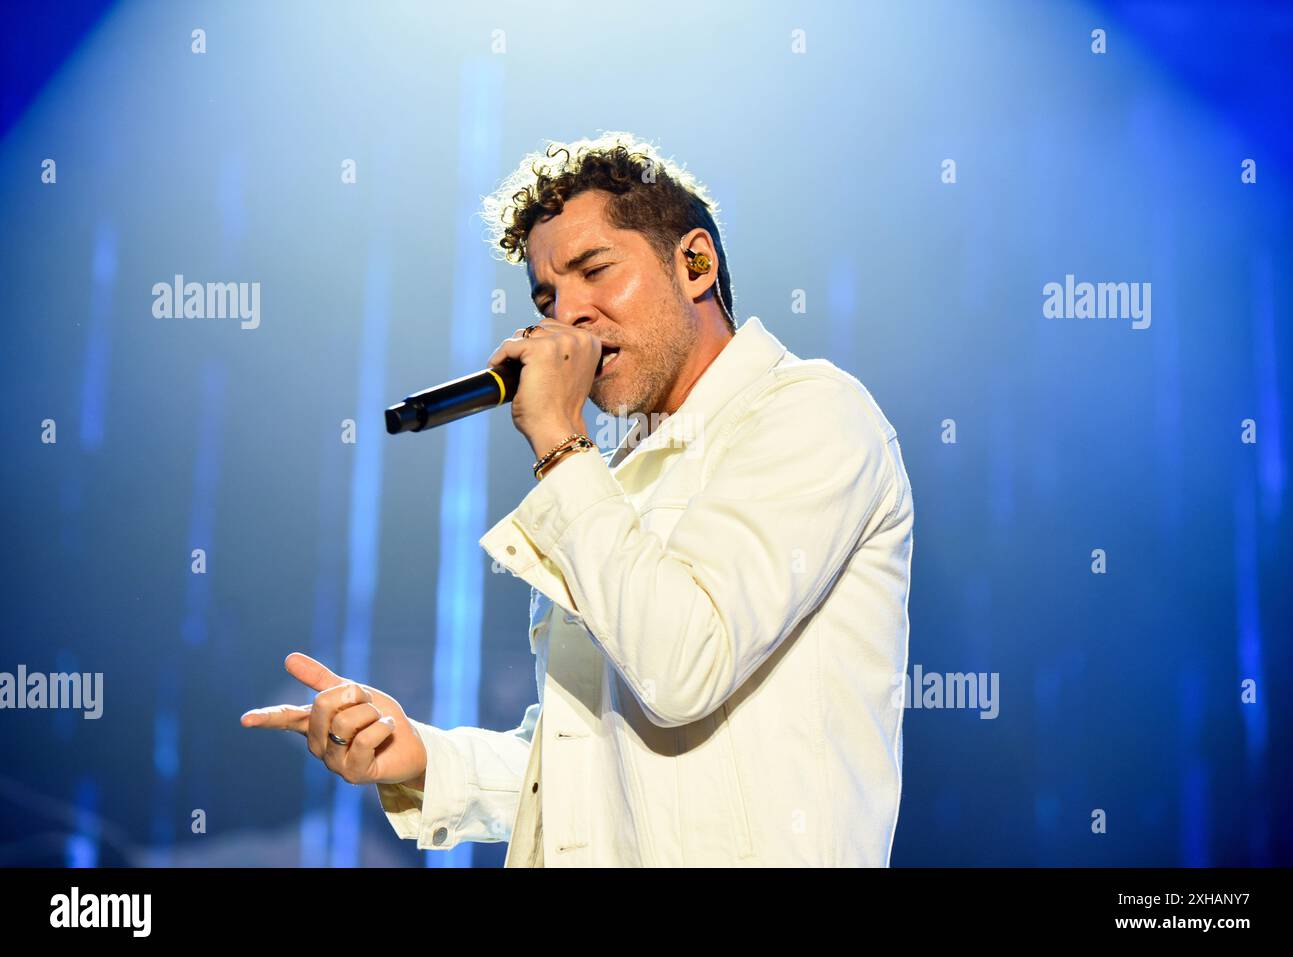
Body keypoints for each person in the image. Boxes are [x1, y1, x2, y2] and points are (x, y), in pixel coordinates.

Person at [241, 132, 914, 866]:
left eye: (595, 270)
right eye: (547, 298)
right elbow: (590, 768)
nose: (569, 315)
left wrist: (560, 443)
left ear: (695, 263)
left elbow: (682, 667)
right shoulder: (607, 481)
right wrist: (422, 758)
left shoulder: (811, 413)